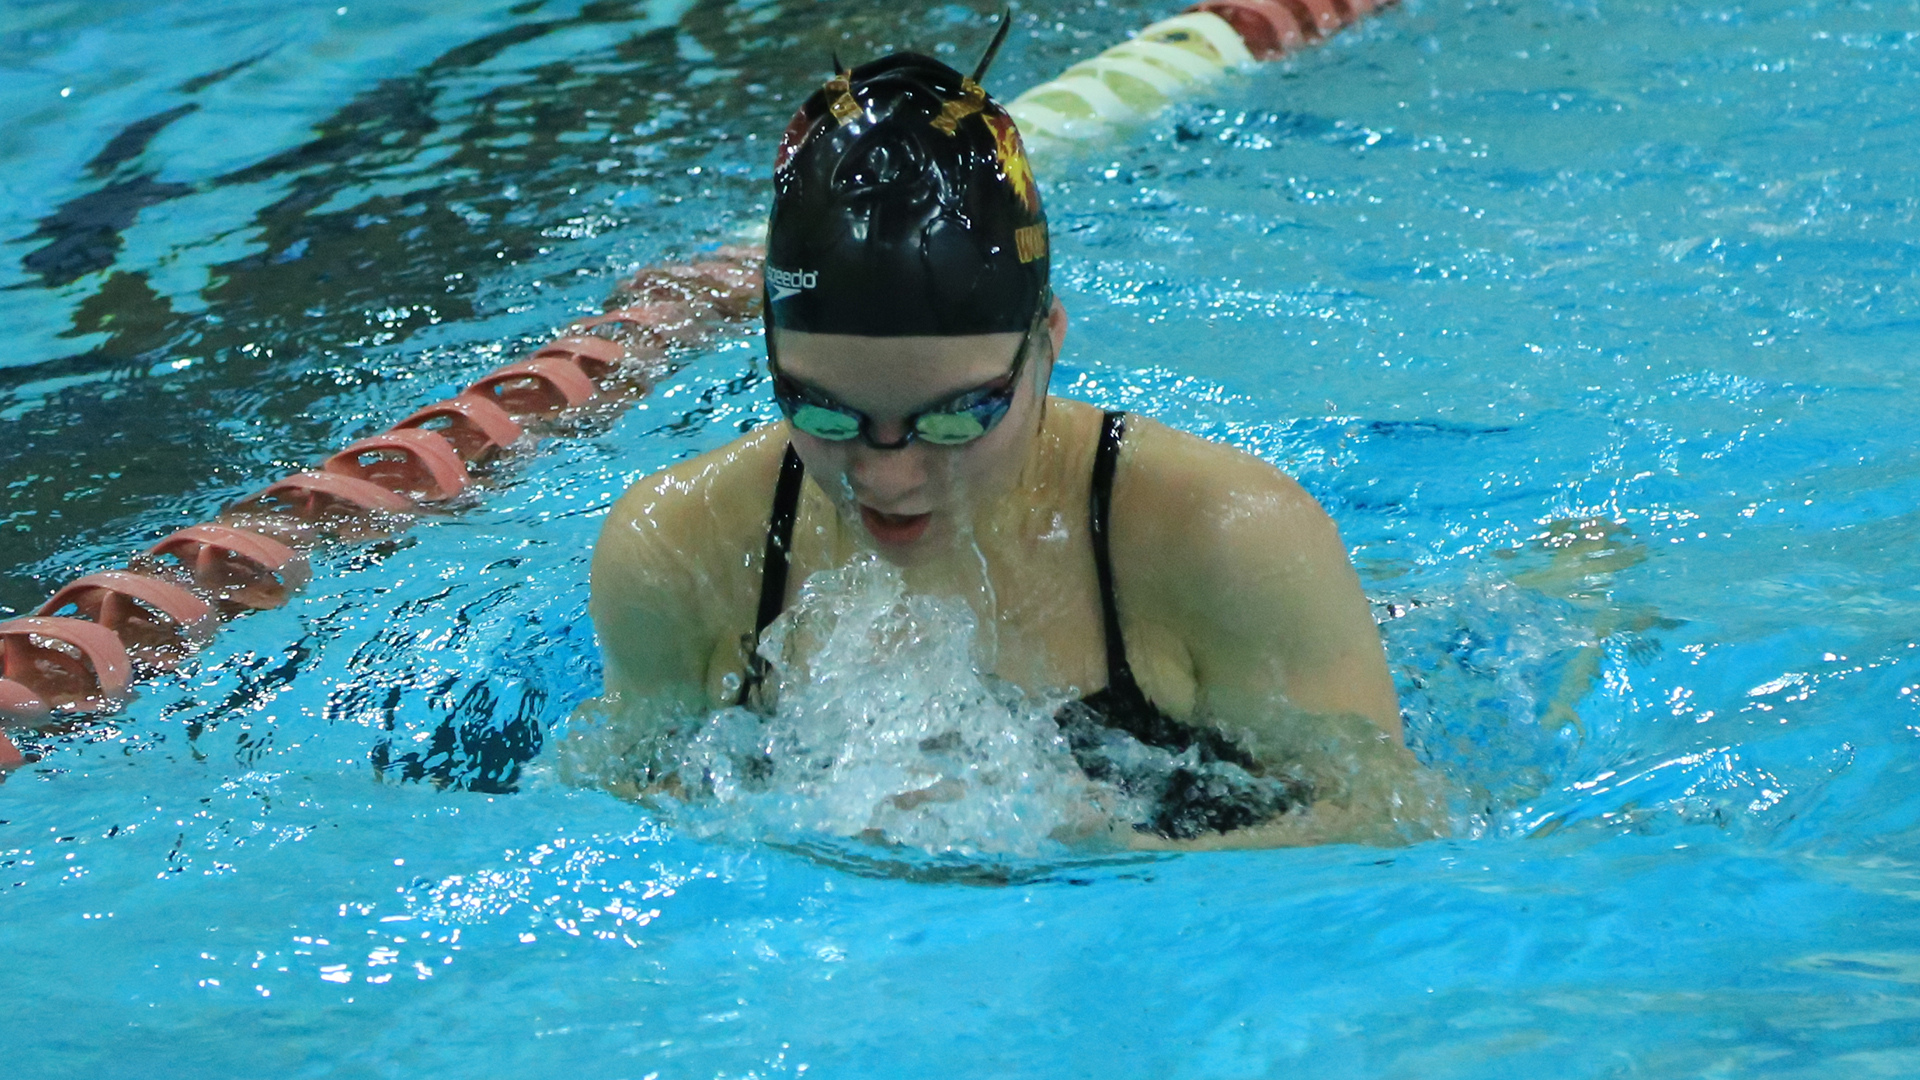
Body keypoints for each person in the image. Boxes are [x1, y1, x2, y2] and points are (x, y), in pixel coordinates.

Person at [575, 30, 1442, 849]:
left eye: (957, 418)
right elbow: (620, 810)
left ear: (1047, 345)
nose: (889, 475)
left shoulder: (1230, 541)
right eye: (826, 413)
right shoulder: (678, 553)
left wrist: (1103, 854)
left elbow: (1389, 822)